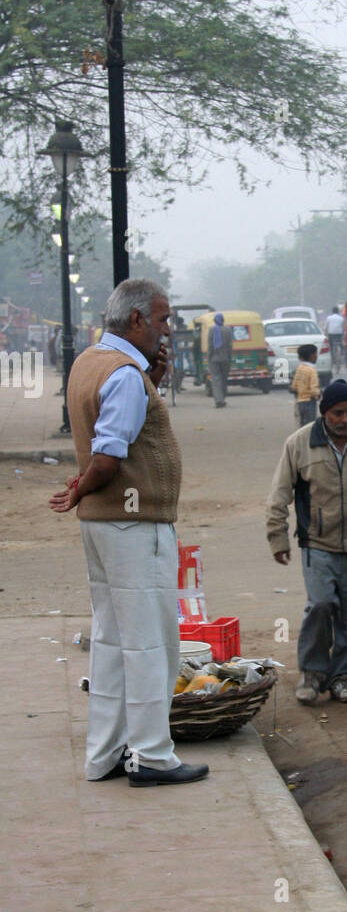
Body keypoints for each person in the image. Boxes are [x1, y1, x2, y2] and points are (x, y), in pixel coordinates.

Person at [48, 278, 208, 788]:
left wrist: (150, 380)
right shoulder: (123, 375)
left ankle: (106, 754)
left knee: (113, 642)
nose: (166, 330)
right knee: (150, 645)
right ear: (136, 320)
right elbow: (111, 453)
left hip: (103, 525)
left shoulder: (91, 362)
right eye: (161, 320)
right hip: (134, 524)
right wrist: (80, 486)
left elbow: (116, 430)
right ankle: (152, 756)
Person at [266, 379, 347, 706]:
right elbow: (279, 494)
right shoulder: (299, 444)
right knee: (321, 605)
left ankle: (342, 677)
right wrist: (277, 537)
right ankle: (312, 674)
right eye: (338, 413)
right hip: (317, 543)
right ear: (324, 414)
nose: (345, 420)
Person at [207, 312, 233, 407]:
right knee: (224, 379)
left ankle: (219, 400)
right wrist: (230, 358)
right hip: (225, 359)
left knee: (216, 379)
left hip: (214, 359)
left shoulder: (211, 330)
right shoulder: (228, 330)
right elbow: (230, 346)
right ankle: (222, 397)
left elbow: (210, 346)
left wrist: (209, 357)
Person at [292, 344, 320, 425]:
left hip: (300, 402)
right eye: (316, 354)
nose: (317, 356)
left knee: (302, 425)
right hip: (309, 402)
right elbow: (314, 390)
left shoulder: (299, 368)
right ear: (312, 356)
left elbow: (294, 386)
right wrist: (319, 393)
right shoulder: (312, 370)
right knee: (310, 426)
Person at [324, 306, 345, 371]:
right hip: (339, 335)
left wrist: (325, 334)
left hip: (331, 335)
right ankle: (342, 353)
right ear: (338, 312)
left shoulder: (328, 318)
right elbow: (343, 328)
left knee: (330, 346)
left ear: (332, 312)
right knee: (341, 344)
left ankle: (332, 357)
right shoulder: (341, 318)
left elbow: (325, 328)